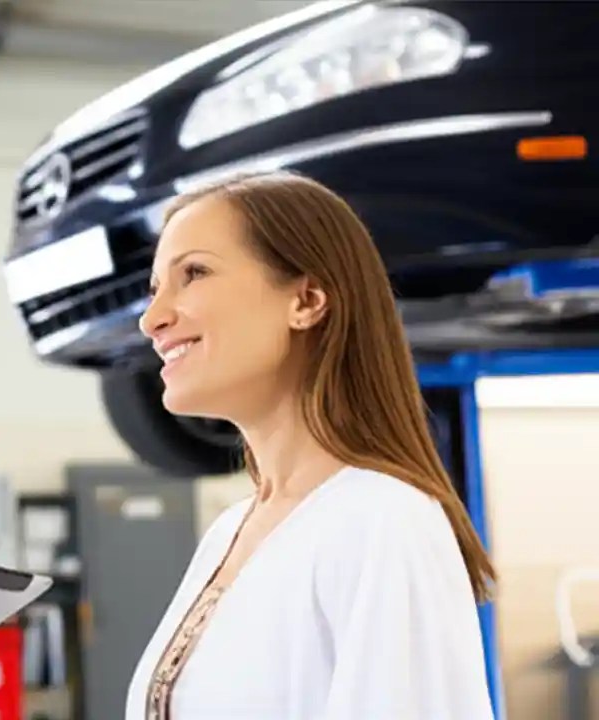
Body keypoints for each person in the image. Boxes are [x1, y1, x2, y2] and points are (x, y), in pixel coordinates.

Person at [125, 171, 497, 720]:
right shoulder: (230, 531)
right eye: (156, 289)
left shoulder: (381, 520)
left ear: (306, 300)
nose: (151, 319)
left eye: (195, 273)